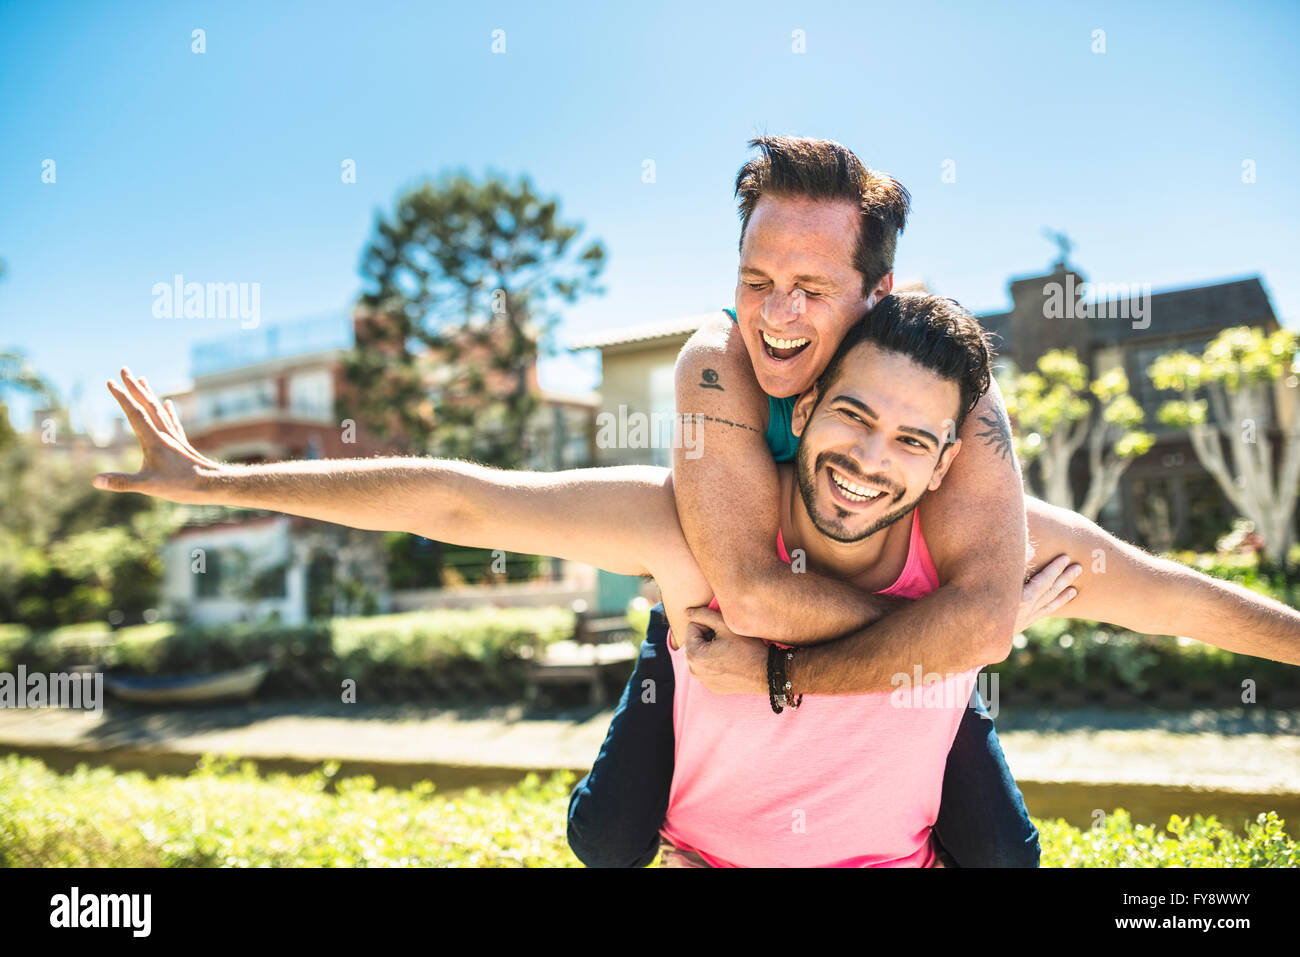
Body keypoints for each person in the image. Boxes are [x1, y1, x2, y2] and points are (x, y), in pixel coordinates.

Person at [567, 135, 1300, 868]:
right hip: (719, 611)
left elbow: (1156, 592)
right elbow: (753, 597)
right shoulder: (717, 358)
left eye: (814, 289)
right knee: (604, 838)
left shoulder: (946, 376)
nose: (777, 315)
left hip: (907, 600)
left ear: (878, 293)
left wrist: (962, 627)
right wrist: (960, 630)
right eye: (756, 278)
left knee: (1001, 857)